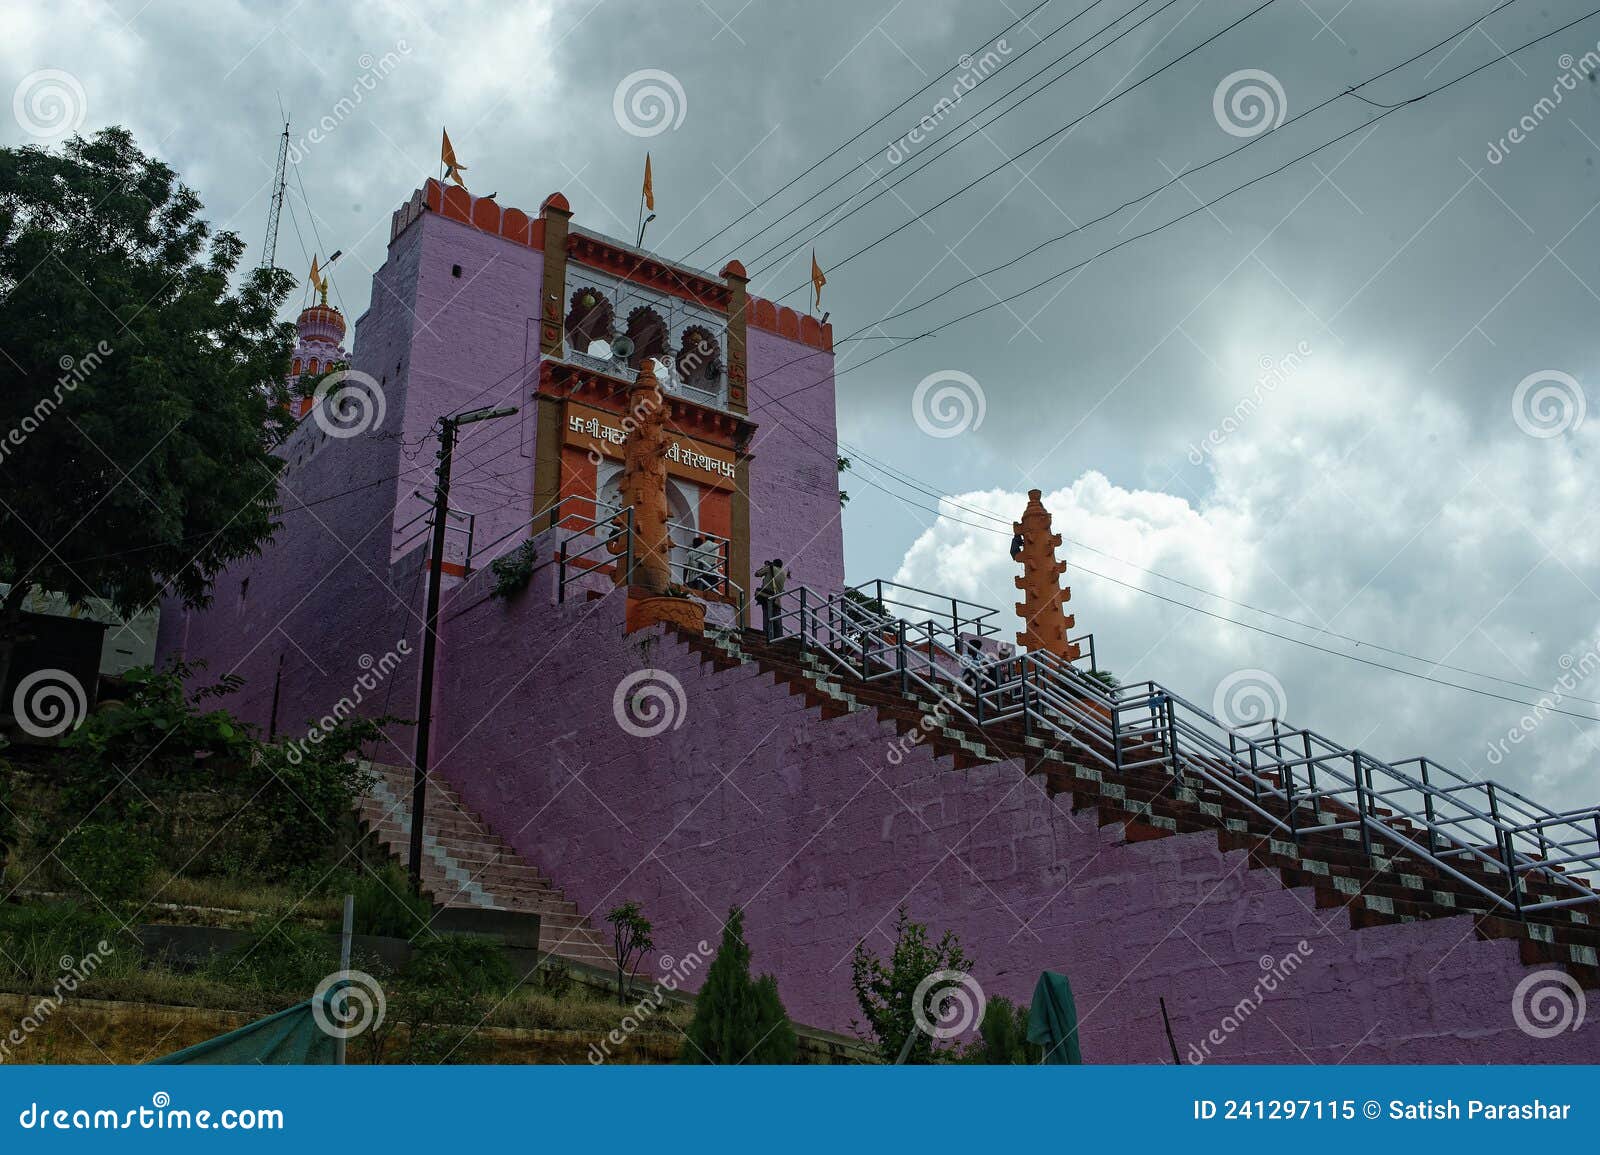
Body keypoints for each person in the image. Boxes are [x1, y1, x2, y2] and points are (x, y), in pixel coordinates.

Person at [755, 558, 789, 639]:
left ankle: (767, 636)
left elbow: (757, 574)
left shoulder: (770, 568)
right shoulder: (783, 573)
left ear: (774, 564)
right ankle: (778, 637)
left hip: (767, 597)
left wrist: (766, 566)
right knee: (777, 619)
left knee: (767, 617)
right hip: (777, 599)